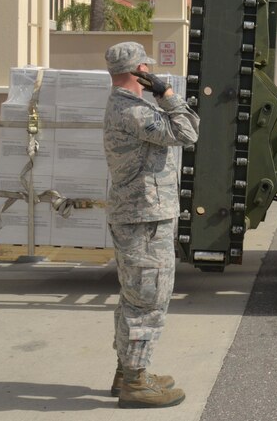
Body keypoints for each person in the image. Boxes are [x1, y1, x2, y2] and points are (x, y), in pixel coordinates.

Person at [102, 41, 200, 409]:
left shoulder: (127, 106)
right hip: (145, 217)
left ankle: (129, 370)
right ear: (138, 71)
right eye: (147, 68)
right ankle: (135, 383)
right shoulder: (134, 112)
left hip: (140, 215)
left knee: (134, 297)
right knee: (148, 300)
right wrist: (169, 94)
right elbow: (189, 132)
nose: (152, 73)